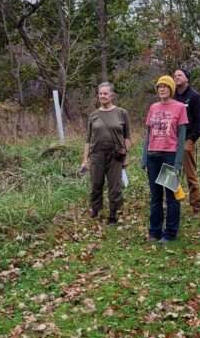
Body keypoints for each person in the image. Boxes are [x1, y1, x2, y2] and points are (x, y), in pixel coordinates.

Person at [142, 75, 188, 242]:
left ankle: (170, 233)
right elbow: (147, 135)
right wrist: (144, 158)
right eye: (159, 86)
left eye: (165, 86)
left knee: (171, 197)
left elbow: (182, 138)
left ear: (171, 89)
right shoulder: (153, 107)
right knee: (155, 197)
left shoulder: (180, 107)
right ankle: (154, 231)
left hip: (169, 156)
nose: (161, 89)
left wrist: (177, 162)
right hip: (153, 156)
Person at [80, 82, 131, 225]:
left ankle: (114, 214)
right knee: (96, 184)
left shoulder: (122, 113)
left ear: (112, 95)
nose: (102, 96)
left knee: (115, 186)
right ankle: (96, 210)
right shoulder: (93, 115)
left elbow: (127, 137)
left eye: (105, 93)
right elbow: (88, 139)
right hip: (97, 154)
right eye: (100, 93)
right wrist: (85, 159)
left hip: (116, 155)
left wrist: (126, 156)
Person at [173, 68, 200, 215]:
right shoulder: (172, 97)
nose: (176, 77)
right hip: (171, 140)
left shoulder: (195, 97)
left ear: (187, 78)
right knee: (170, 173)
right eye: (174, 75)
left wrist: (192, 140)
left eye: (180, 75)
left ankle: (196, 206)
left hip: (187, 140)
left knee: (190, 175)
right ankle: (173, 202)